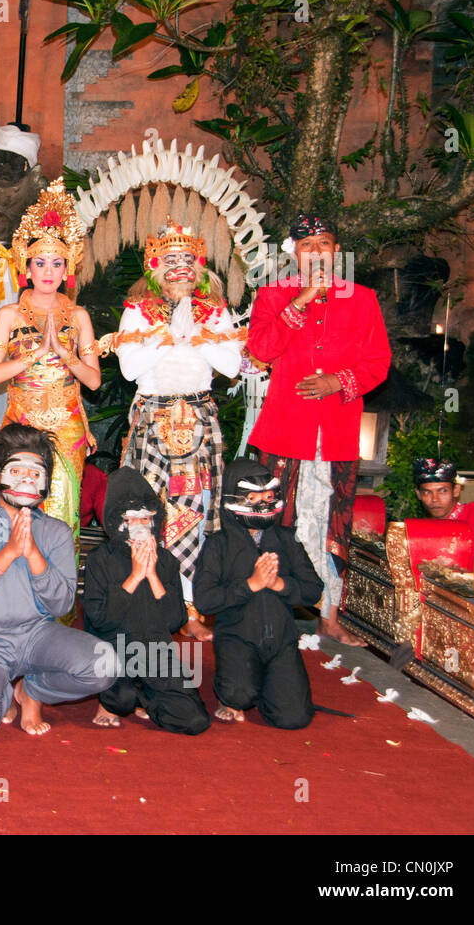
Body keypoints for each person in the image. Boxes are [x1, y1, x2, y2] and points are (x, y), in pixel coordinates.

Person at [247, 213, 391, 646]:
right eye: (307, 246)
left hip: (338, 431)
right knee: (273, 516)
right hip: (283, 431)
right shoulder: (274, 296)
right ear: (294, 252)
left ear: (336, 249)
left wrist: (337, 382)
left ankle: (330, 616)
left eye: (324, 244)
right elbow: (260, 349)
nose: (317, 252)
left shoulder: (362, 298)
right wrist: (301, 302)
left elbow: (378, 362)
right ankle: (268, 611)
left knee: (334, 522)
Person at [112, 219, 243, 640]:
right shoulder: (137, 310)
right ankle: (148, 600)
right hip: (153, 418)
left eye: (188, 259)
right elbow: (130, 369)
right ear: (154, 266)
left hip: (197, 419)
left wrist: (201, 335)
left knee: (193, 510)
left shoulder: (215, 310)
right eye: (171, 259)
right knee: (147, 509)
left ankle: (187, 605)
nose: (180, 267)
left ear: (201, 265)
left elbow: (231, 366)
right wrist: (167, 335)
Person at [0, 425, 118, 744]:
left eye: (34, 472)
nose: (26, 478)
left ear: (46, 484)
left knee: (105, 663)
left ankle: (30, 690)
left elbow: (62, 606)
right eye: (16, 470)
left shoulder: (57, 532)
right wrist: (9, 552)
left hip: (37, 636)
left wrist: (34, 554)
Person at [0, 179, 101, 540]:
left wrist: (65, 354)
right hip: (21, 422)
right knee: (17, 505)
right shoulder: (10, 315)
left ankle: (57, 585)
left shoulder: (79, 316)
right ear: (27, 268)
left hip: (67, 426)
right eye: (40, 263)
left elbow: (93, 381)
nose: (48, 271)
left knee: (62, 510)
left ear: (68, 270)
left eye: (56, 263)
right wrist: (35, 354)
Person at [194, 459, 322, 728]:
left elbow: (313, 590)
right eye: (252, 497)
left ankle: (269, 683)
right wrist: (249, 585)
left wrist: (280, 585)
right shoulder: (218, 545)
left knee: (294, 718)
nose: (263, 503)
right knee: (239, 694)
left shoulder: (287, 539)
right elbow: (205, 601)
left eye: (268, 496)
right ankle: (231, 690)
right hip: (237, 639)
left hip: (282, 641)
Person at [83, 467, 210, 734]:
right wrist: (133, 577)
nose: (140, 526)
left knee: (194, 721)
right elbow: (99, 620)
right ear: (116, 519)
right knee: (121, 698)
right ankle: (130, 696)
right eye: (132, 519)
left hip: (155, 650)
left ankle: (147, 695)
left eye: (146, 519)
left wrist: (151, 575)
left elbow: (174, 621)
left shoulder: (166, 561)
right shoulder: (99, 559)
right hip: (113, 650)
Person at [413, 457, 474, 555]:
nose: (435, 499)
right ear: (419, 494)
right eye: (427, 492)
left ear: (456, 490)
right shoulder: (418, 532)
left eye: (443, 491)